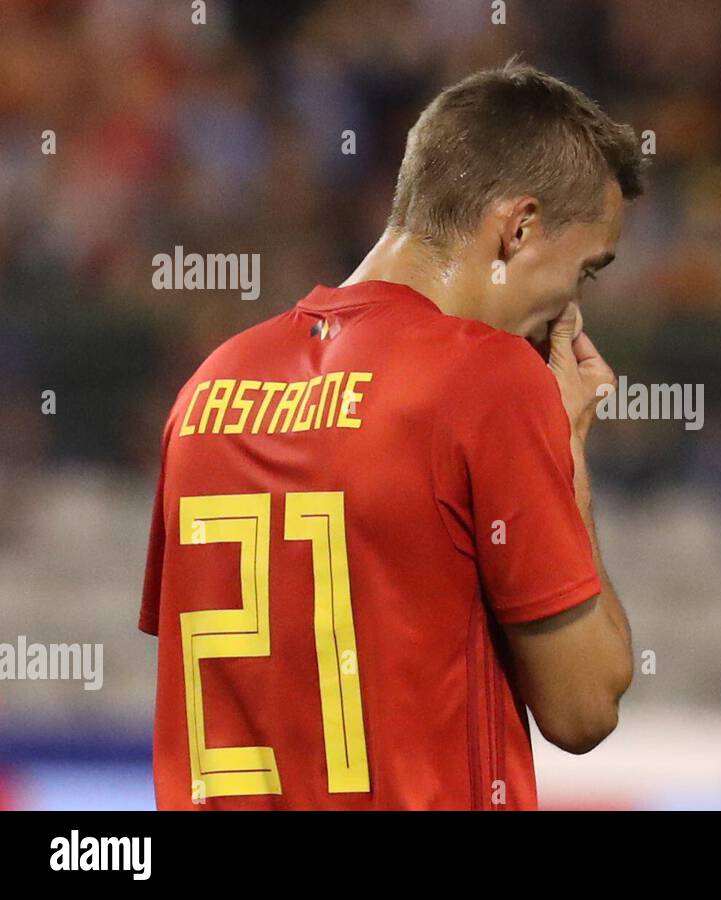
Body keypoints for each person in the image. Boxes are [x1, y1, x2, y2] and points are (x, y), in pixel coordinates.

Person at [138, 60, 643, 809]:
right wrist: (568, 452)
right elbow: (583, 708)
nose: (571, 307)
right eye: (586, 271)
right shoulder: (489, 380)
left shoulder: (209, 388)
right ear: (520, 228)